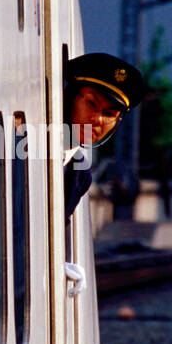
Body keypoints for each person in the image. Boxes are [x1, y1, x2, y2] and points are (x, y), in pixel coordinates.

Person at [62, 52, 145, 219]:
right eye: (91, 103)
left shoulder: (81, 176)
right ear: (70, 97)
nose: (97, 119)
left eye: (109, 114)